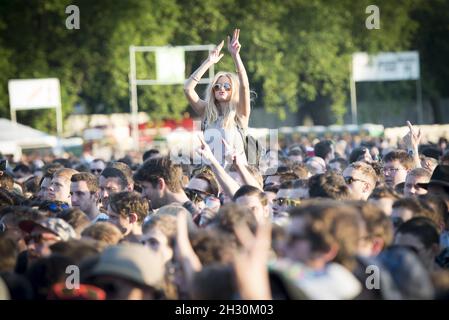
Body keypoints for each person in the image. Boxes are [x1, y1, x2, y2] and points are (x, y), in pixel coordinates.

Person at [184, 29, 250, 166]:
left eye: (227, 86)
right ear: (212, 90)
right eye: (217, 86)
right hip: (211, 176)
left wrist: (235, 56)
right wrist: (209, 62)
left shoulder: (240, 113)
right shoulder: (206, 112)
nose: (221, 88)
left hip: (235, 176)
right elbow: (188, 89)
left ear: (234, 90)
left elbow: (244, 85)